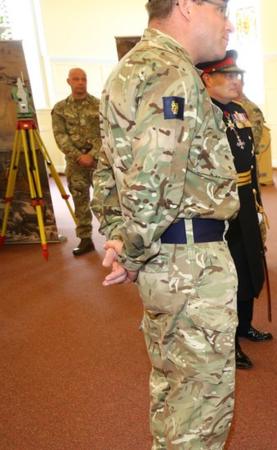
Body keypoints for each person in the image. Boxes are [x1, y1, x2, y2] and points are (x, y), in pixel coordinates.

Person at [90, 1, 238, 447]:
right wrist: (131, 250)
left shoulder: (131, 69)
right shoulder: (171, 73)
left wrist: (121, 235)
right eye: (222, 9)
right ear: (188, 7)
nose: (229, 23)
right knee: (201, 411)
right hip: (190, 265)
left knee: (174, 394)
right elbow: (155, 180)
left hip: (166, 260)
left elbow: (108, 172)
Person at [198, 50, 273, 371]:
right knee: (226, 275)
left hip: (243, 199)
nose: (235, 81)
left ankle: (244, 326)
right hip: (218, 207)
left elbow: (250, 160)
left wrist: (256, 201)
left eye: (237, 75)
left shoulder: (238, 112)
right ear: (207, 78)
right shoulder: (202, 115)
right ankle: (227, 343)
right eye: (227, 75)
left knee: (248, 264)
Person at [51, 68, 100, 256]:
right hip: (76, 164)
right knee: (80, 201)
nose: (80, 82)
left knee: (106, 202)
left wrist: (93, 154)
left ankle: (116, 240)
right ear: (68, 81)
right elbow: (60, 136)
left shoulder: (98, 105)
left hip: (99, 163)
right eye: (76, 79)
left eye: (83, 79)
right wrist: (79, 156)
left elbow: (106, 132)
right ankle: (85, 239)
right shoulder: (61, 109)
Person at [234, 79, 274, 186]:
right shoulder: (230, 105)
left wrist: (248, 150)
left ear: (242, 85)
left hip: (246, 155)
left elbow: (255, 134)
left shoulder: (250, 108)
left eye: (236, 83)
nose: (233, 85)